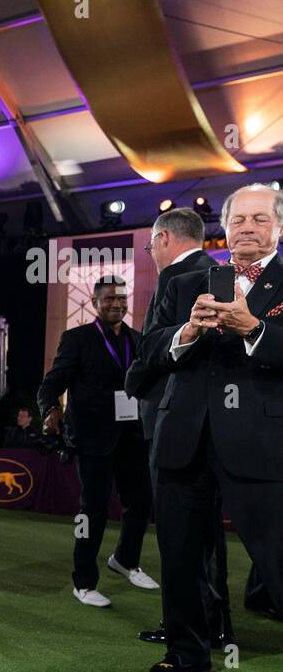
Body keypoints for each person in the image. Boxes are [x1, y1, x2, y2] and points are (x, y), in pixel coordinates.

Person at [136, 182, 283, 672]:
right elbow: (149, 351)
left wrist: (253, 329)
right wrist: (186, 333)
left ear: (279, 227)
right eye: (239, 219)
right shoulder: (188, 281)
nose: (248, 228)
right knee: (179, 554)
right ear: (224, 227)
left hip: (261, 444)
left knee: (275, 554)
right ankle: (187, 651)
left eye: (260, 219)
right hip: (184, 436)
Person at [125, 208, 228, 647]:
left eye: (151, 245)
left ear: (164, 238)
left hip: (176, 425)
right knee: (204, 536)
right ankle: (211, 624)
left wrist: (133, 379)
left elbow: (153, 349)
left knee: (179, 534)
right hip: (207, 425)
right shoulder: (215, 273)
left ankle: (187, 631)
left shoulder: (178, 278)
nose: (151, 253)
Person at [38, 276, 155, 609]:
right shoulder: (77, 339)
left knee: (142, 503)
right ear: (94, 302)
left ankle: (126, 560)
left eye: (121, 299)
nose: (116, 304)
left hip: (132, 435)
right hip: (92, 439)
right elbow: (52, 382)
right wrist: (48, 410)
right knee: (93, 510)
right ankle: (84, 582)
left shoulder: (138, 339)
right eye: (109, 300)